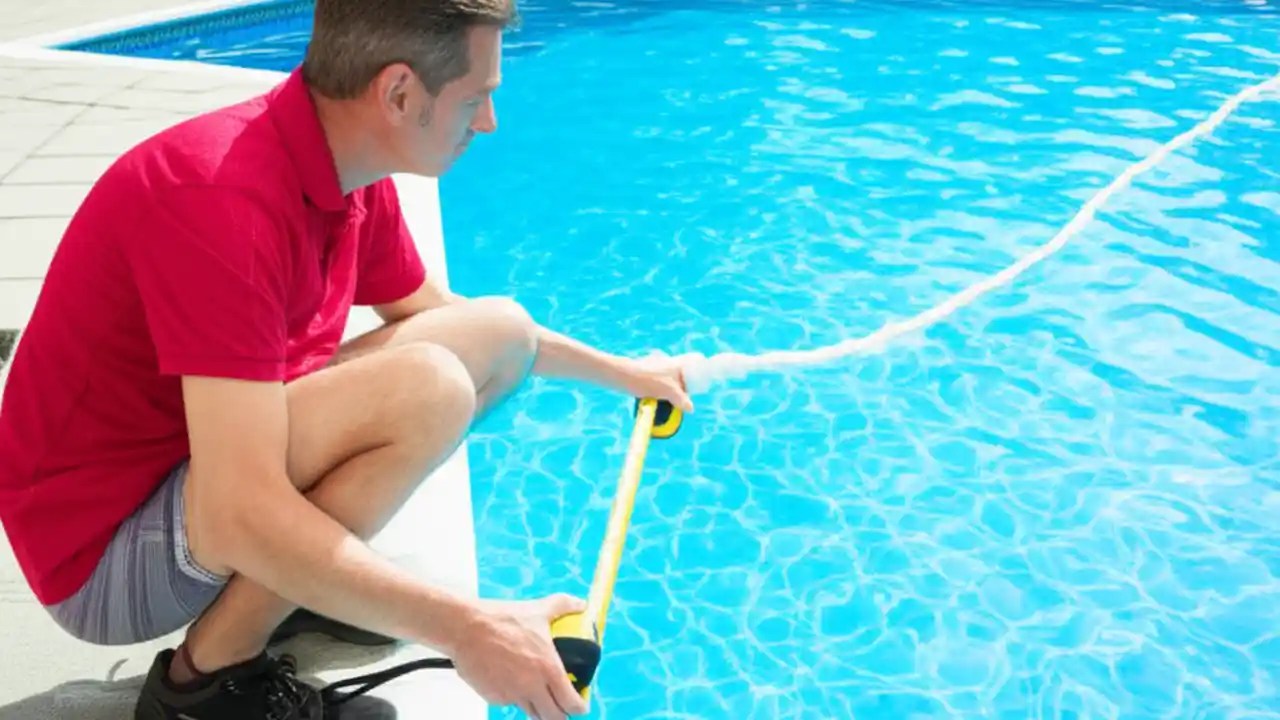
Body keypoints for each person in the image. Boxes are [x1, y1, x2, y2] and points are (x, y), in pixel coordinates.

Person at [0, 0, 693, 718]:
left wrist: (626, 374)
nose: (488, 122)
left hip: (198, 479)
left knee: (499, 334)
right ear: (399, 94)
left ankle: (293, 584)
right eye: (475, 97)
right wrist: (468, 629)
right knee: (427, 390)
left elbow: (449, 321)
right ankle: (205, 682)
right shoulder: (221, 199)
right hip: (102, 557)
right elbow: (238, 512)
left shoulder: (340, 169)